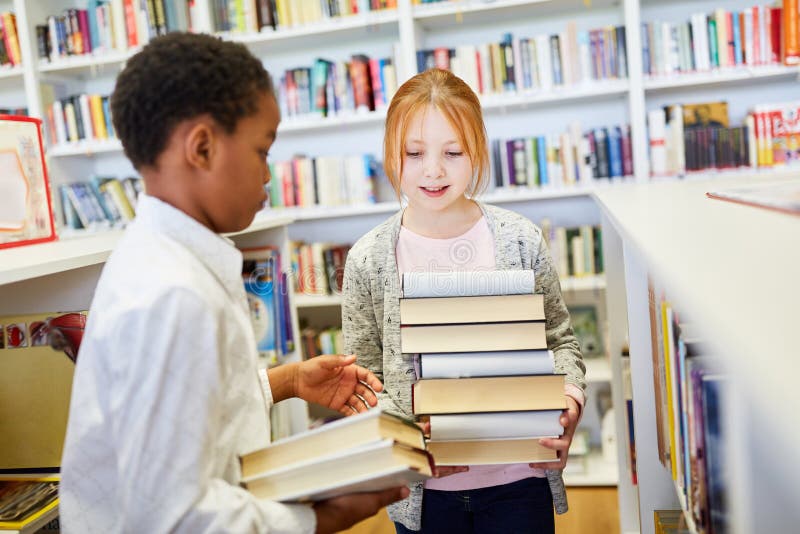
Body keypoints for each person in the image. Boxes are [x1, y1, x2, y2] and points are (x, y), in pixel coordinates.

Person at [59, 32, 407, 533]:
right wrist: (317, 520)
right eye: (262, 150)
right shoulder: (172, 293)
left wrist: (287, 381)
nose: (269, 173)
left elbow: (187, 422)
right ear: (202, 147)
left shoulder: (159, 258)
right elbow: (174, 518)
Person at [341, 68, 586, 533]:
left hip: (520, 481)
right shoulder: (368, 260)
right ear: (392, 155)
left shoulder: (519, 240)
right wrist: (405, 434)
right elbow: (362, 382)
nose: (433, 170)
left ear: (477, 153)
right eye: (415, 153)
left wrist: (570, 397)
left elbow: (561, 342)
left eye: (452, 152)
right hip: (424, 496)